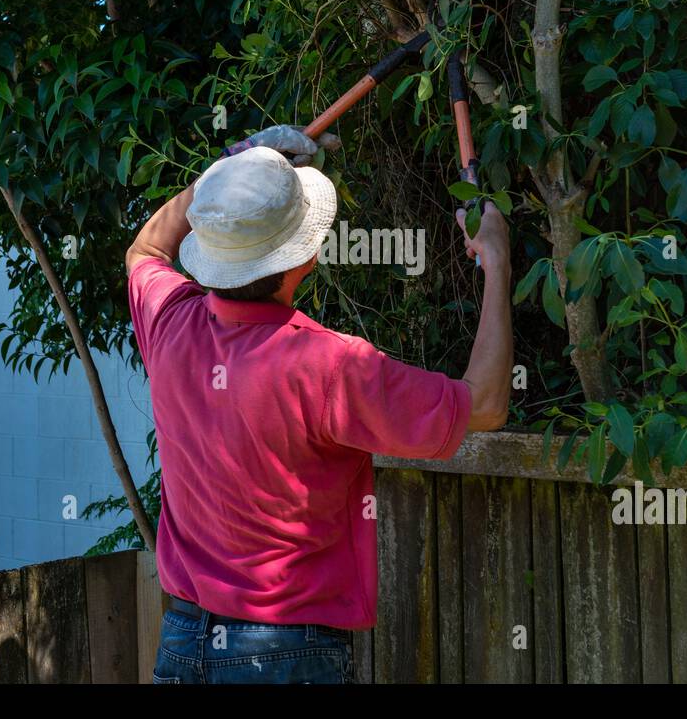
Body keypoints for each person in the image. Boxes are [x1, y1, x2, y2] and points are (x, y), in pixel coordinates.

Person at [126, 125, 512, 683]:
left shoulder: (170, 324)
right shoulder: (331, 366)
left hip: (184, 644)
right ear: (306, 256)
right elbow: (489, 404)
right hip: (288, 655)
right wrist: (497, 261)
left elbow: (146, 248)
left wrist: (231, 170)